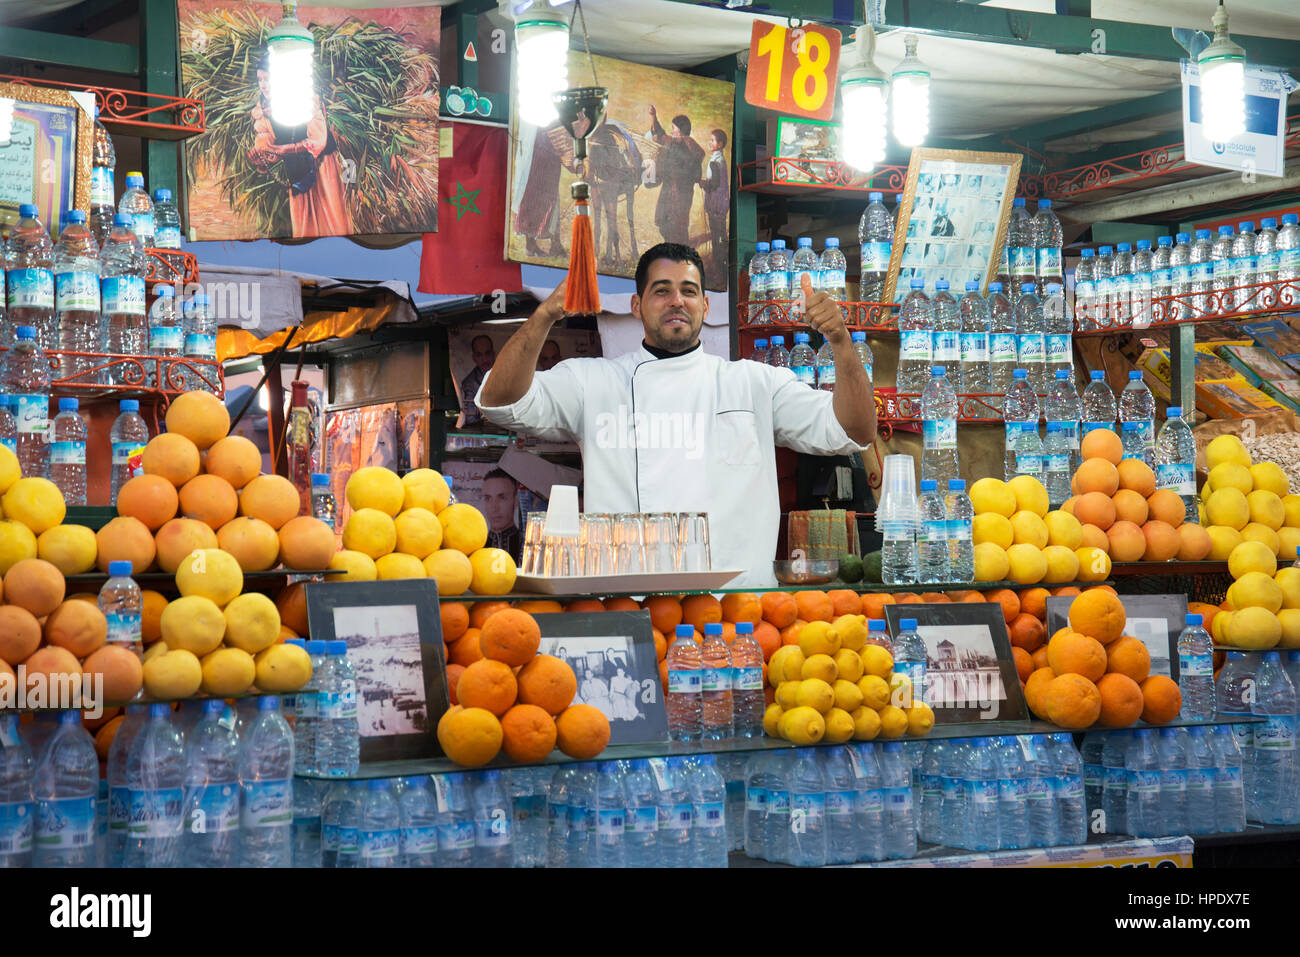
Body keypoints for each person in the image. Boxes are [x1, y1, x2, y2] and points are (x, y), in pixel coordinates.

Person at [475, 243, 874, 585]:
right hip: (629, 603)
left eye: (688, 290)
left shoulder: (754, 383)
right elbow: (500, 401)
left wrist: (839, 340)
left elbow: (854, 430)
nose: (676, 301)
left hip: (739, 607)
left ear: (705, 303)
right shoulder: (594, 382)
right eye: (661, 291)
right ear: (636, 305)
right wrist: (546, 314)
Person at [248, 53, 351, 237]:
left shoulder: (305, 98)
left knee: (333, 224)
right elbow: (267, 144)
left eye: (268, 79)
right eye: (260, 79)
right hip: (296, 174)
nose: (263, 85)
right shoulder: (262, 109)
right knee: (305, 230)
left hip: (323, 169)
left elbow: (318, 140)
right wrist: (260, 157)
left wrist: (287, 149)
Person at [647, 107, 704, 245]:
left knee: (678, 227)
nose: (671, 131)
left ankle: (679, 253)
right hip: (668, 192)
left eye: (673, 128)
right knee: (665, 226)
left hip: (681, 195)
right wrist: (654, 115)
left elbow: (695, 174)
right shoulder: (672, 142)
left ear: (680, 129)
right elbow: (660, 133)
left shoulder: (691, 147)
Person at [515, 122, 571, 258]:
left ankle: (554, 245)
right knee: (535, 198)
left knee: (552, 199)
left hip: (549, 153)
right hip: (539, 153)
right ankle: (532, 245)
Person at [699, 129, 729, 268]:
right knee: (720, 231)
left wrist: (703, 183)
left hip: (716, 202)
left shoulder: (715, 162)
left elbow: (715, 183)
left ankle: (718, 261)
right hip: (721, 202)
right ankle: (721, 259)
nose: (710, 142)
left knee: (717, 232)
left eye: (713, 140)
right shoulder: (718, 159)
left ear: (720, 144)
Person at [482, 467, 523, 564]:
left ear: (516, 501)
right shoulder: (477, 547)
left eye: (502, 498)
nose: (494, 508)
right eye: (488, 498)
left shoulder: (525, 547)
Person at [459, 334, 496, 425]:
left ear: (493, 354)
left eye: (487, 353)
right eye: (479, 355)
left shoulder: (505, 375)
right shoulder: (469, 384)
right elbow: (470, 419)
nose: (484, 359)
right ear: (474, 358)